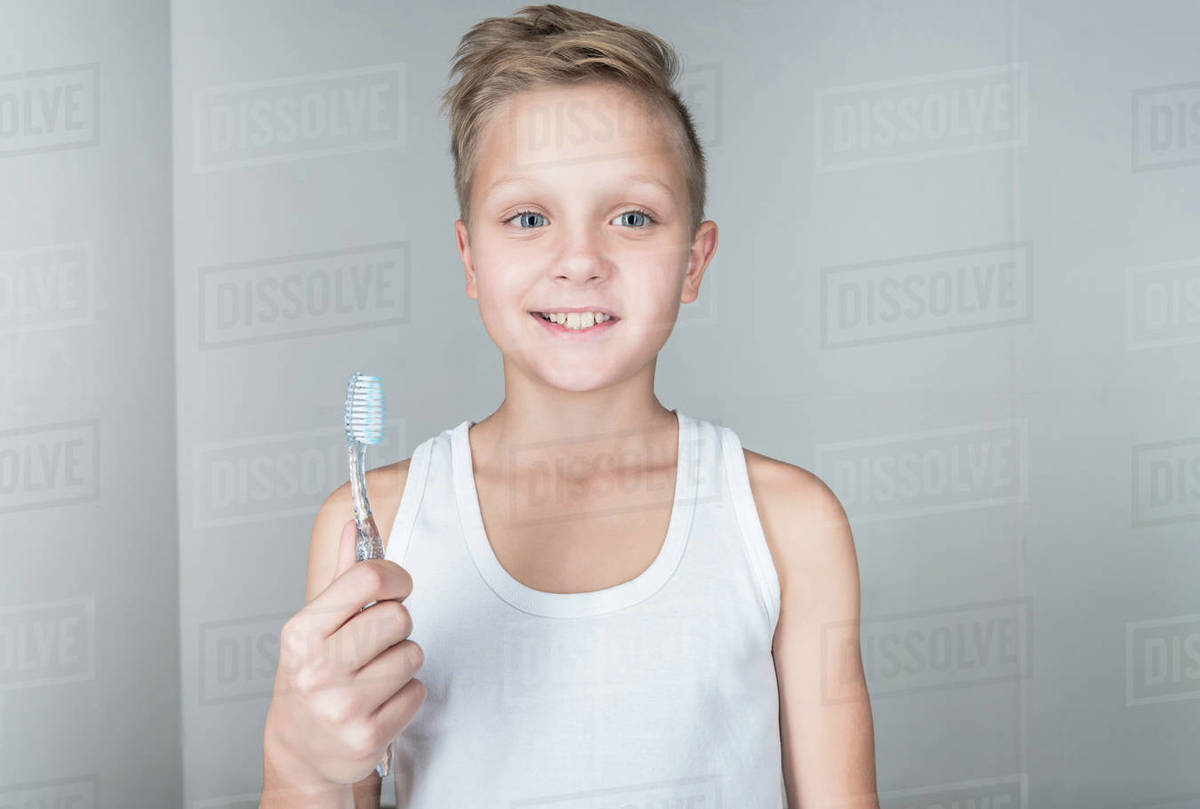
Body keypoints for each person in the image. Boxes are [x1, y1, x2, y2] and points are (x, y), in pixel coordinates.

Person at [260, 5, 879, 808]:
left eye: (632, 217)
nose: (580, 261)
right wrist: (298, 765)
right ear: (470, 258)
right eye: (527, 218)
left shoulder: (789, 523)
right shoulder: (369, 526)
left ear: (694, 261)